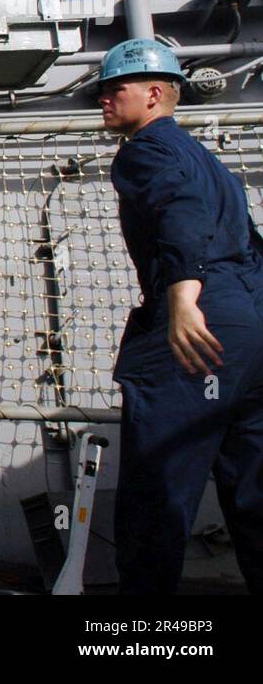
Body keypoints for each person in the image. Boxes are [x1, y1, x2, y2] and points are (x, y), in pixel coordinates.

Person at [98, 39, 263, 594]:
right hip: (250, 327)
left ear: (153, 94)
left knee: (158, 493)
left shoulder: (146, 150)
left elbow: (179, 211)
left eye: (114, 89)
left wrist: (184, 297)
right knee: (254, 490)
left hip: (203, 327)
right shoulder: (207, 160)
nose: (103, 99)